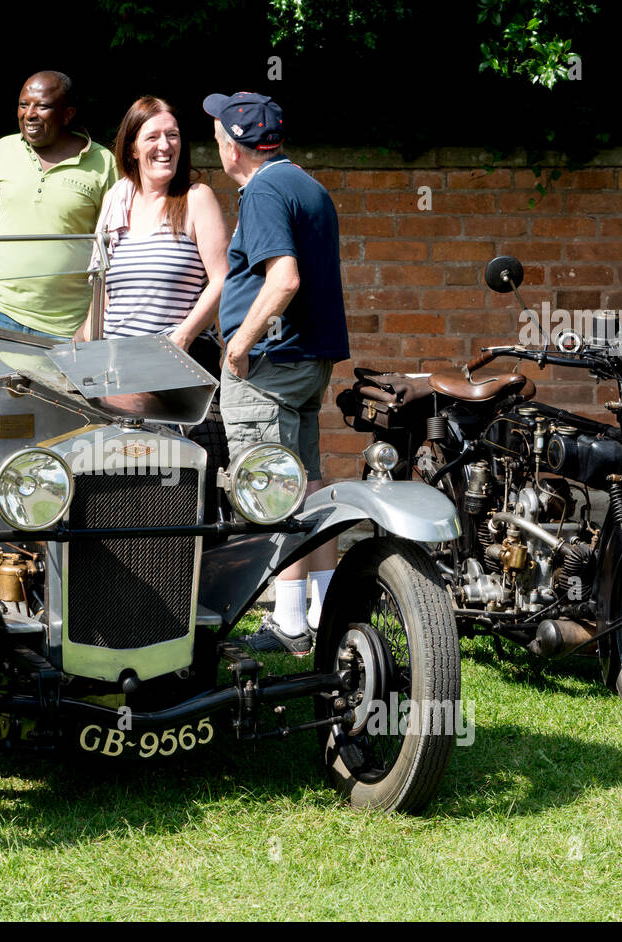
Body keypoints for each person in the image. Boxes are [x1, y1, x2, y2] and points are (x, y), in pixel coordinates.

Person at [205, 90, 349, 655]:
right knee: (310, 487)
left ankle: (289, 624)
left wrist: (240, 343)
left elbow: (283, 279)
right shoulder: (306, 185)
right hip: (308, 364)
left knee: (270, 488)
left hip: (269, 364)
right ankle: (326, 612)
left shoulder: (262, 190)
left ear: (235, 145)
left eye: (218, 134)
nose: (214, 142)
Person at [74, 96, 228, 374]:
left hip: (177, 368)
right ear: (132, 148)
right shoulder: (115, 200)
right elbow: (104, 291)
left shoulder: (196, 199)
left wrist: (182, 338)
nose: (165, 145)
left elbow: (222, 279)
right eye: (152, 137)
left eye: (172, 135)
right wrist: (81, 346)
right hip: (115, 366)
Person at [0, 71, 118, 340]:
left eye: (42, 106)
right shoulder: (3, 150)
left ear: (67, 114)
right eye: (24, 105)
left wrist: (91, 323)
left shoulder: (104, 163)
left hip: (68, 328)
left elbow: (113, 250)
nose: (30, 114)